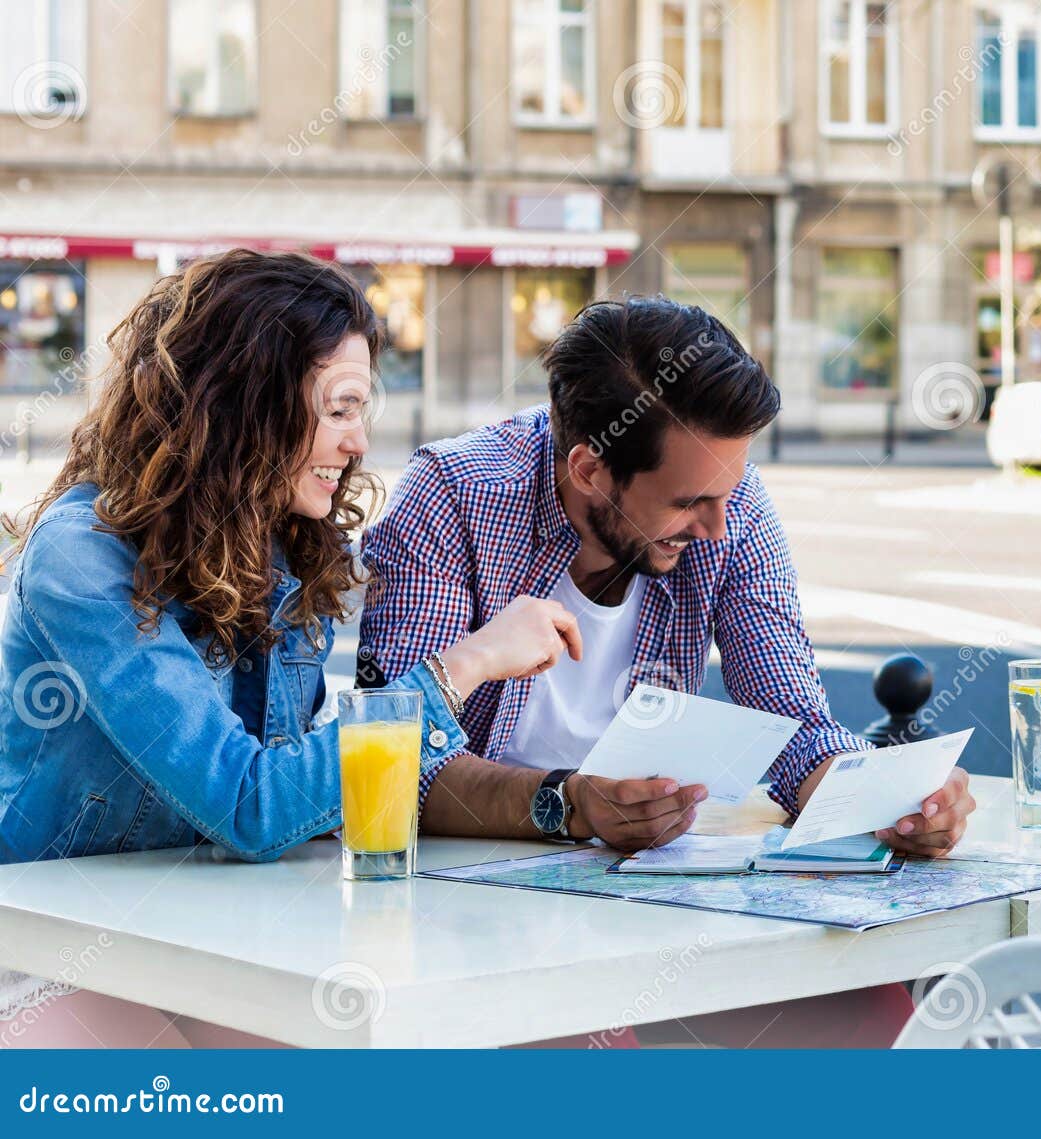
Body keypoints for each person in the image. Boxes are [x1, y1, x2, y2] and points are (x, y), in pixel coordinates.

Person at [358, 295, 978, 1046]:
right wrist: (572, 805)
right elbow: (394, 757)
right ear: (589, 467)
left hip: (649, 898)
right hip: (467, 917)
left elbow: (793, 718)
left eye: (728, 493)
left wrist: (888, 804)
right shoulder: (454, 496)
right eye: (689, 502)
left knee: (873, 1019)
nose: (719, 526)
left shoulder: (729, 499)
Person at [0, 249, 577, 1048]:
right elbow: (250, 806)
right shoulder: (83, 558)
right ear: (246, 405)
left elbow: (289, 806)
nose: (357, 442)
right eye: (340, 409)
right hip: (45, 947)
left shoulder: (288, 550)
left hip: (205, 930)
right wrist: (466, 664)